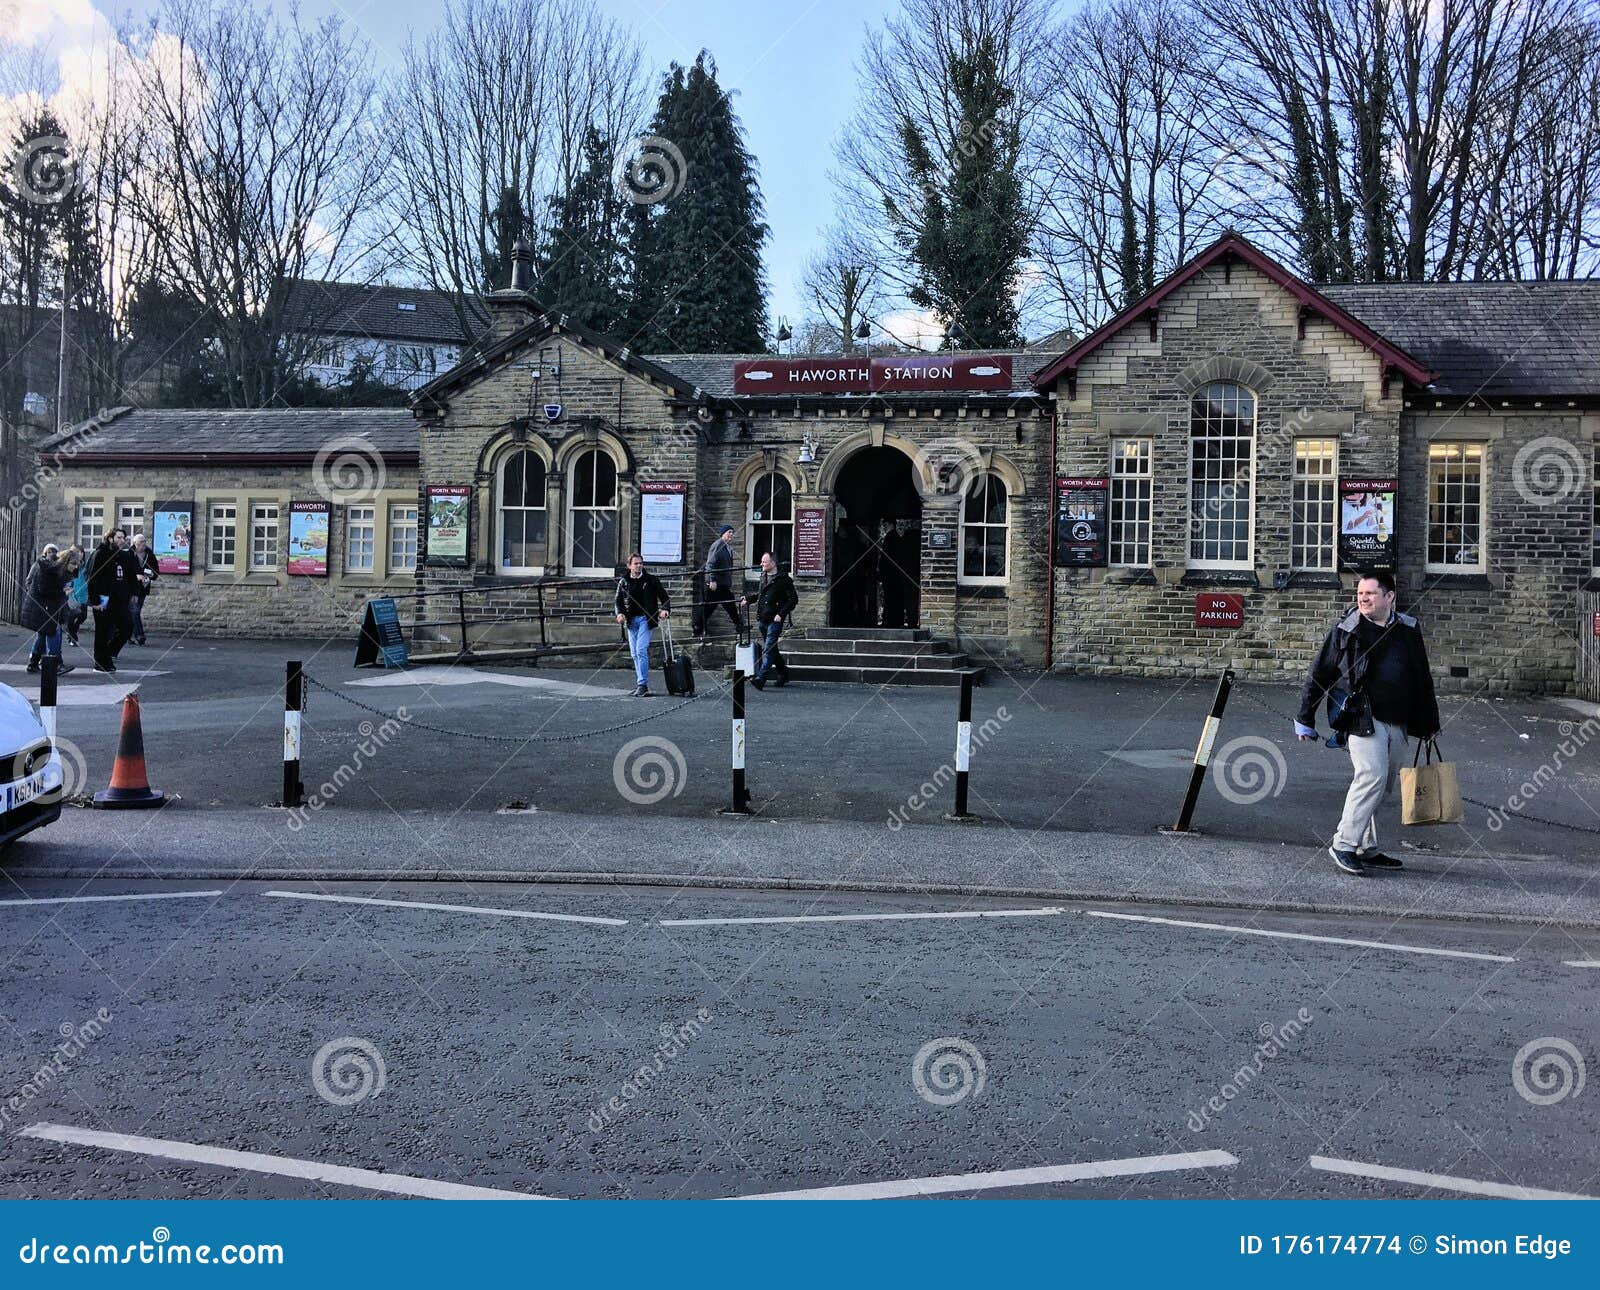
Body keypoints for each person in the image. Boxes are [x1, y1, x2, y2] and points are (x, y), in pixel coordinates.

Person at [1295, 570, 1441, 876]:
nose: (1363, 598)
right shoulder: (1346, 630)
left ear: (1389, 597)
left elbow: (1422, 679)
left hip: (1399, 720)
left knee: (1384, 785)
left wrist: (1429, 723)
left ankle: (1366, 847)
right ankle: (1344, 844)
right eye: (1360, 593)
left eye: (1370, 593)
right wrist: (1304, 718)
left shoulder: (1408, 630)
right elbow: (1319, 674)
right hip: (1362, 716)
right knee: (1371, 777)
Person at [613, 552, 671, 697]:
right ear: (629, 566)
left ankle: (642, 685)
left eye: (641, 563)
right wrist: (619, 613)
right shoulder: (624, 582)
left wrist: (664, 610)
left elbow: (665, 598)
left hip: (647, 619)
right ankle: (640, 683)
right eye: (636, 564)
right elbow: (618, 601)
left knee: (640, 650)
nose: (639, 566)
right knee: (634, 654)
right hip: (631, 621)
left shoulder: (651, 580)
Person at [740, 551, 797, 691]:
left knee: (768, 648)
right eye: (761, 562)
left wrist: (781, 614)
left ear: (773, 563)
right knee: (772, 649)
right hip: (763, 618)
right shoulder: (763, 576)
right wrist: (748, 599)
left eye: (764, 562)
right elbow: (761, 595)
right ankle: (783, 673)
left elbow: (793, 599)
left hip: (775, 619)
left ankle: (761, 678)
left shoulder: (784, 579)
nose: (761, 564)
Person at [85, 527, 139, 673]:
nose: (122, 541)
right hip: (103, 599)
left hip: (120, 599)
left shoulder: (124, 556)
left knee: (127, 626)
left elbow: (131, 576)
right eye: (119, 538)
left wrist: (134, 592)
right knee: (102, 631)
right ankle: (101, 663)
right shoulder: (100, 554)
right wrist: (94, 600)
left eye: (123, 538)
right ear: (110, 539)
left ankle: (109, 652)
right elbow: (92, 578)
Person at [20, 543, 76, 676]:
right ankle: (54, 664)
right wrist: (63, 592)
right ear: (65, 562)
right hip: (43, 606)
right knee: (53, 632)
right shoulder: (48, 570)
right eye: (73, 563)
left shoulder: (54, 570)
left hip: (46, 605)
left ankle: (33, 663)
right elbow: (44, 590)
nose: (75, 567)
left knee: (43, 633)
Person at [693, 524, 741, 638]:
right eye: (729, 532)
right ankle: (697, 627)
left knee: (724, 605)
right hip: (716, 584)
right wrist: (711, 580)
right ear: (722, 533)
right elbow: (710, 564)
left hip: (723, 584)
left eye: (732, 532)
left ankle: (739, 625)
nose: (731, 535)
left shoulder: (727, 547)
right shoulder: (717, 545)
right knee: (710, 607)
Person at [128, 532, 158, 645]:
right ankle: (139, 635)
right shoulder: (129, 554)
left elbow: (156, 572)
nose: (143, 544)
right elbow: (126, 571)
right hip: (131, 588)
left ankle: (128, 635)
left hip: (143, 588)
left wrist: (147, 575)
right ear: (135, 543)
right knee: (134, 611)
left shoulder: (150, 555)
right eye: (141, 542)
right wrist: (135, 575)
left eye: (144, 541)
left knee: (135, 612)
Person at [61, 544, 89, 647]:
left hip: (83, 594)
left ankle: (74, 630)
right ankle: (72, 637)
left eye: (80, 552)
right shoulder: (69, 565)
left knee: (83, 616)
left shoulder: (85, 565)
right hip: (71, 594)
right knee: (72, 617)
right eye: (77, 552)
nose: (79, 554)